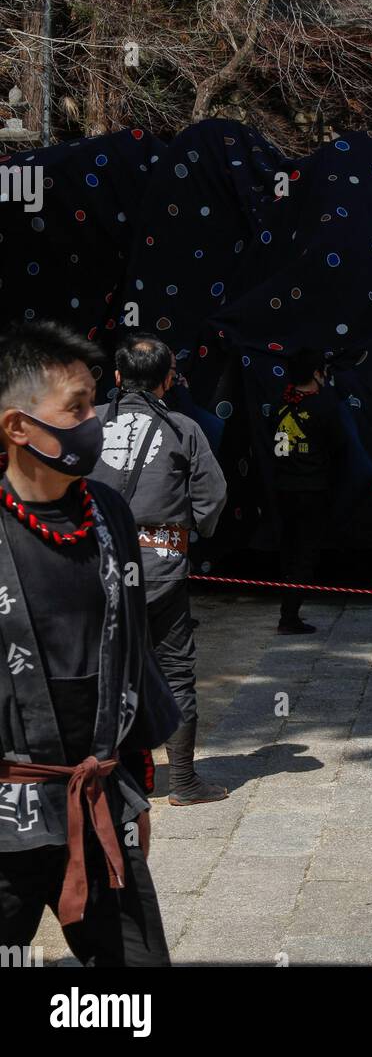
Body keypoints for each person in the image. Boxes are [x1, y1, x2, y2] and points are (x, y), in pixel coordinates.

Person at [0, 320, 177, 966]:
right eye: (75, 409)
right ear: (18, 427)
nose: (92, 422)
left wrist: (136, 783)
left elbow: (134, 648)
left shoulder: (109, 512)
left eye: (92, 404)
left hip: (97, 798)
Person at [92, 334, 228, 807]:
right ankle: (184, 782)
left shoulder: (87, 423)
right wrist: (193, 529)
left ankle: (103, 778)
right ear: (169, 380)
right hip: (162, 566)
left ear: (115, 377)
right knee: (174, 670)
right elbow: (213, 497)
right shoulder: (184, 429)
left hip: (97, 567)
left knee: (100, 669)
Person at [271, 349, 347, 636]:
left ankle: (288, 610)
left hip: (283, 487)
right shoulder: (325, 405)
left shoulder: (279, 401)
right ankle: (288, 616)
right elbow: (339, 447)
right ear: (317, 373)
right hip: (312, 489)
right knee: (304, 553)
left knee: (289, 551)